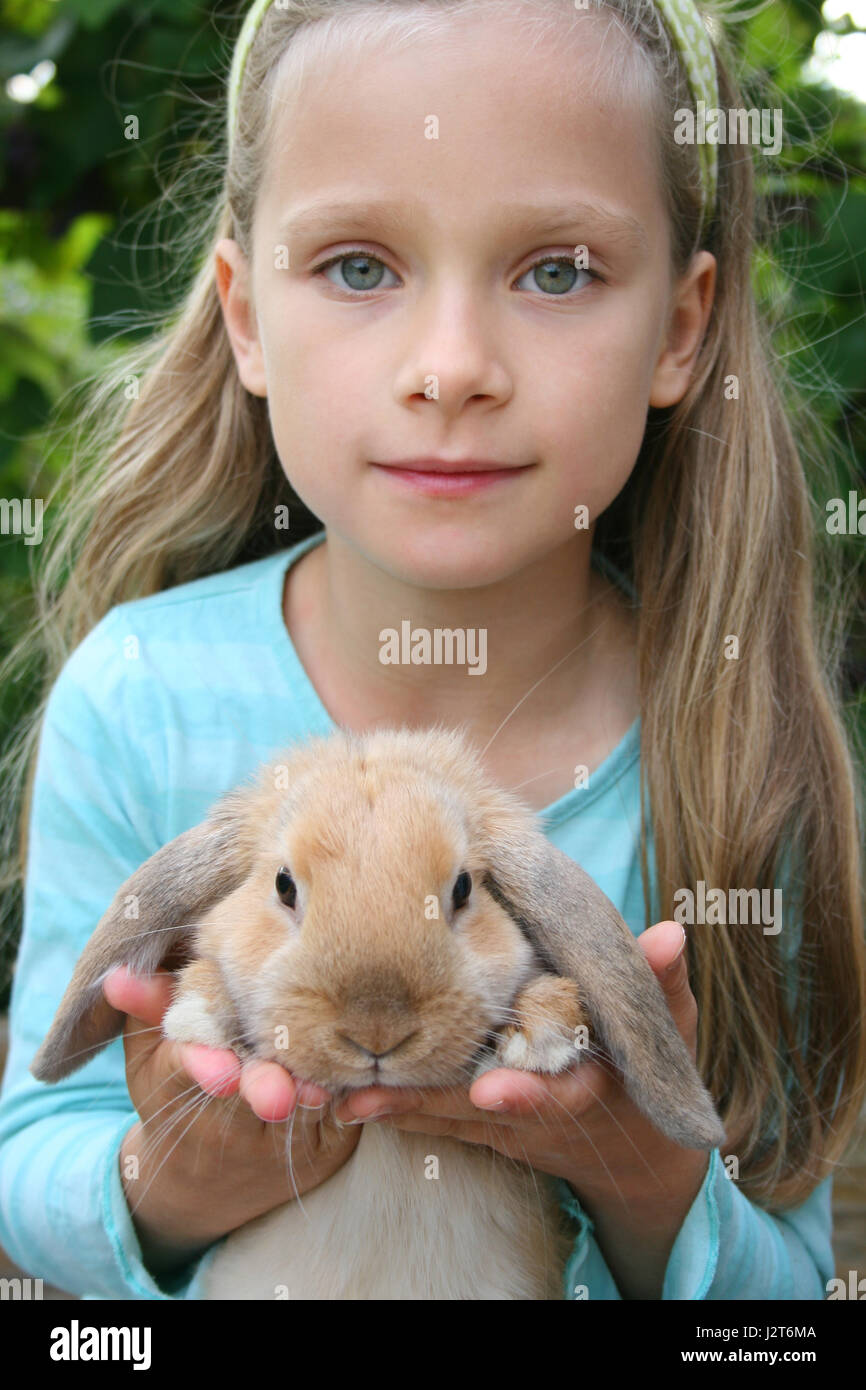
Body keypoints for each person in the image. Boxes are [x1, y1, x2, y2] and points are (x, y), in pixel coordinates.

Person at [0, 0, 863, 1301]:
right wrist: (182, 1174)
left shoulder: (738, 749)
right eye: (358, 266)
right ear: (243, 316)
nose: (450, 368)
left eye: (556, 270)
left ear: (679, 330)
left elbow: (787, 1292)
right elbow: (31, 1146)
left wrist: (635, 1173)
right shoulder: (141, 698)